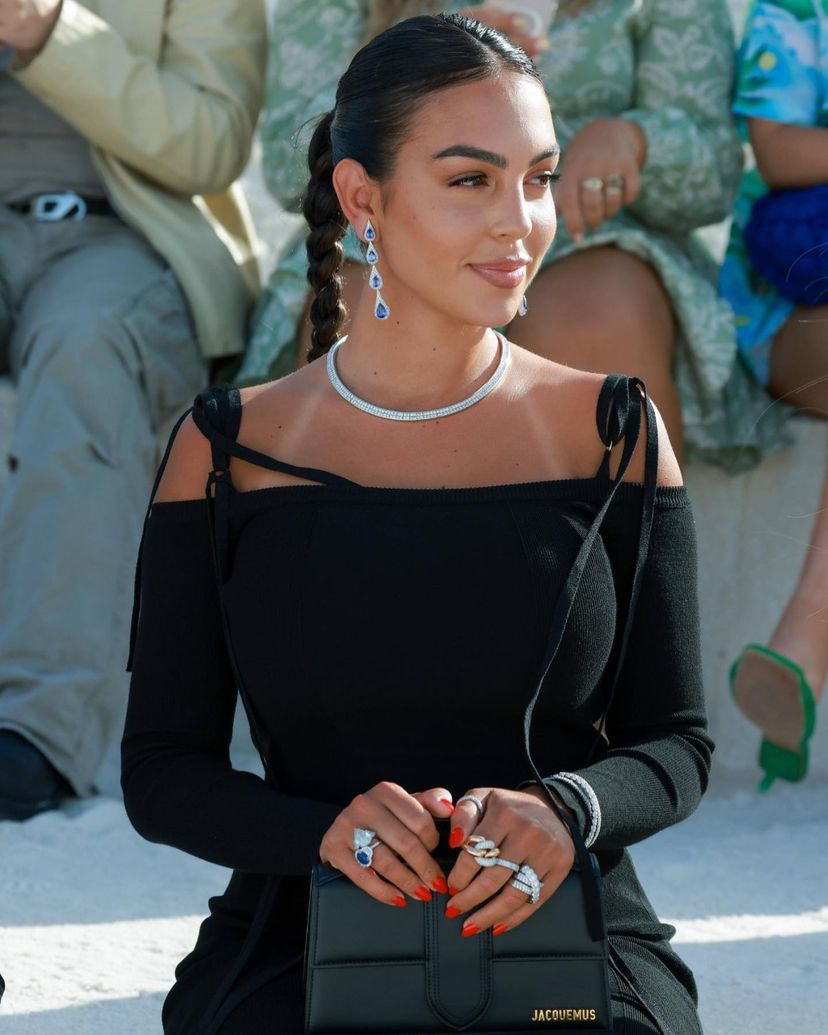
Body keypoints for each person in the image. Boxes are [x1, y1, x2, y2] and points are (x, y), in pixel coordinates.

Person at [123, 14, 712, 1033]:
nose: (521, 222)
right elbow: (164, 771)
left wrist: (568, 808)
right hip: (295, 941)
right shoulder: (227, 450)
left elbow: (677, 742)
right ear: (363, 198)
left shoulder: (613, 430)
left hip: (572, 939)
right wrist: (322, 836)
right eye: (471, 179)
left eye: (538, 178)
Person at [243, 0, 789, 473]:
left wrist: (637, 141)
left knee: (597, 316)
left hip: (594, 232)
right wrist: (433, 69)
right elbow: (292, 166)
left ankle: (606, 558)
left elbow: (715, 176)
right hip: (397, 222)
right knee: (368, 315)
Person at [0, 0, 265, 821]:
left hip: (126, 242)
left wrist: (47, 30)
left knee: (86, 347)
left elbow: (211, 142)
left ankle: (39, 730)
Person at [721, 0, 828, 790]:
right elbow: (780, 149)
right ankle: (805, 642)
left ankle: (803, 646)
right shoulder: (797, 9)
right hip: (796, 310)